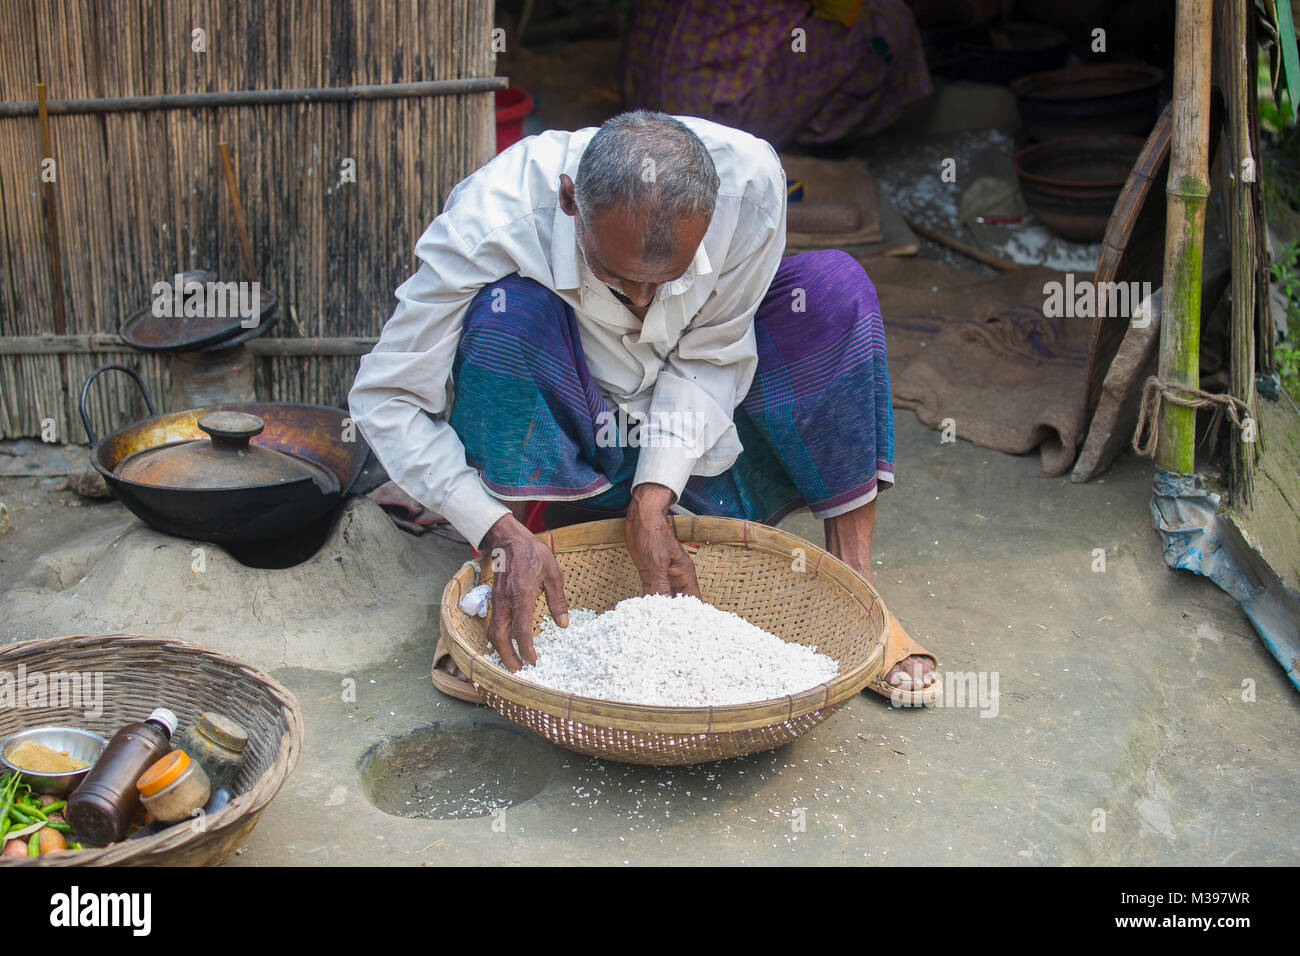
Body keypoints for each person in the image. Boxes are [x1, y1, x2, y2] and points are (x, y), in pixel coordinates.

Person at [348, 111, 938, 705]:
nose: (642, 300)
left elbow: (711, 355)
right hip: (570, 450)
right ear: (570, 200)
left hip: (703, 452)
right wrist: (490, 524)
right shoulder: (492, 217)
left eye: (667, 280)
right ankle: (494, 573)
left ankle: (856, 594)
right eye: (616, 276)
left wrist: (653, 495)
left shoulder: (750, 188)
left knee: (832, 287)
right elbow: (387, 396)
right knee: (505, 312)